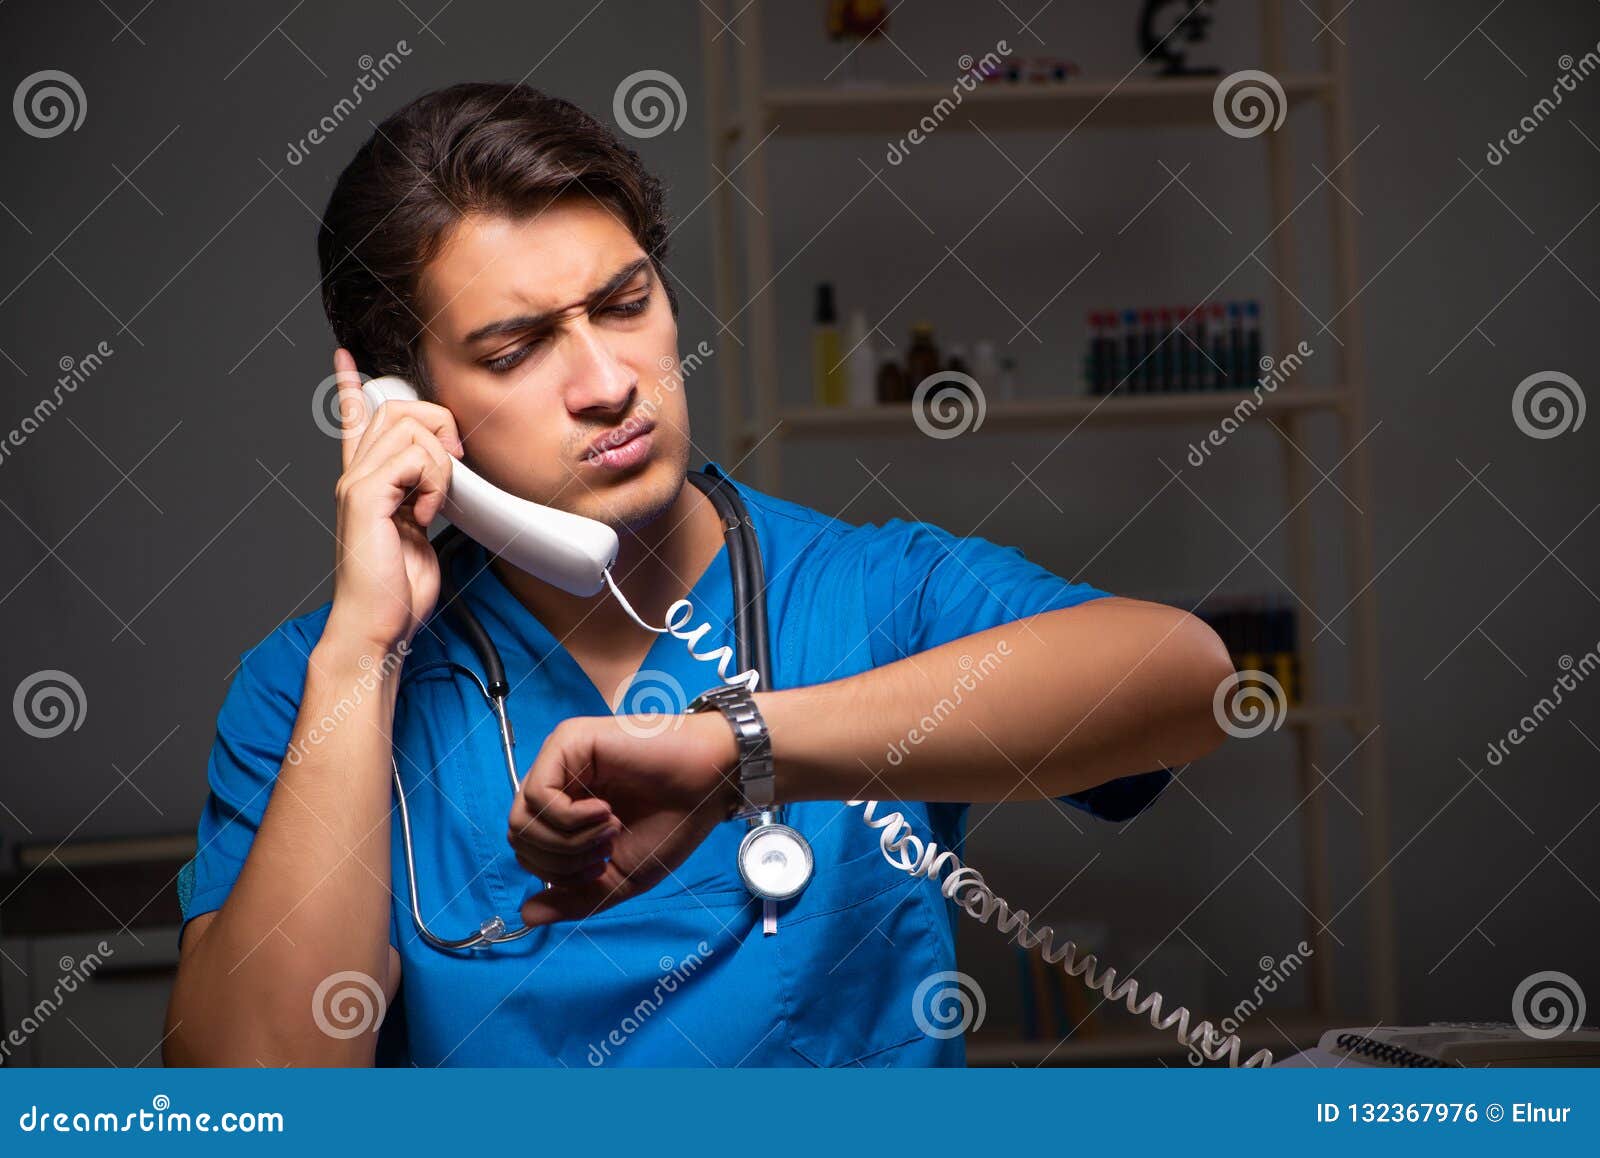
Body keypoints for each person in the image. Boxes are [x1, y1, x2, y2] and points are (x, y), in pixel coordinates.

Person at [163, 82, 1234, 1067]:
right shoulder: (314, 688)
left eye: (624, 303)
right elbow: (253, 1095)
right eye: (516, 350)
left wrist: (739, 752)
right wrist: (366, 648)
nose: (606, 381)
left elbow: (1189, 680)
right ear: (407, 405)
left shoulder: (864, 591)